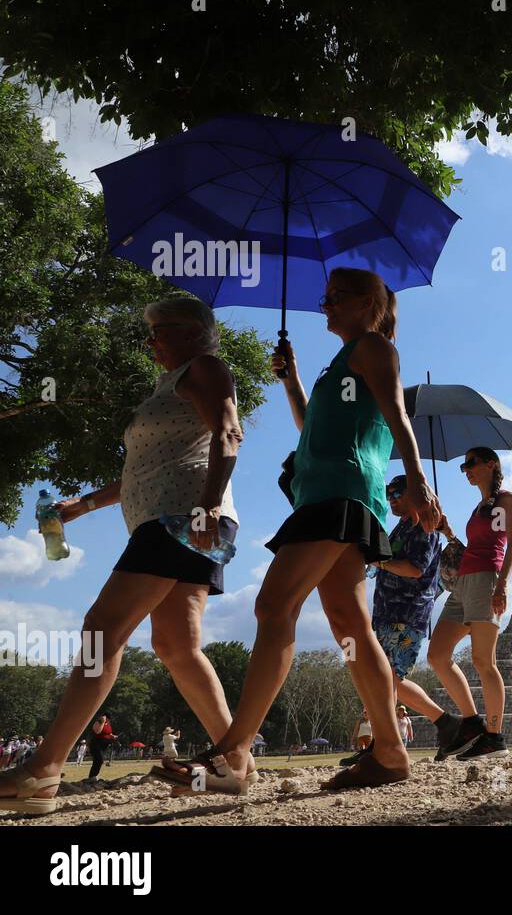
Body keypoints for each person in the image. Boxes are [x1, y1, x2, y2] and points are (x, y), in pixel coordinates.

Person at [157, 267, 440, 795]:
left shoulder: (374, 347)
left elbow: (398, 413)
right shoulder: (345, 361)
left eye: (335, 298)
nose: (324, 305)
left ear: (367, 302)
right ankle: (390, 750)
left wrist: (419, 479)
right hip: (328, 494)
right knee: (349, 624)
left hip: (341, 494)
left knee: (273, 608)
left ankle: (235, 753)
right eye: (324, 297)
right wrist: (291, 380)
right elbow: (315, 428)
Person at [0, 297, 252, 816]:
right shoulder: (170, 384)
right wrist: (84, 504)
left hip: (184, 516)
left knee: (102, 627)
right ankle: (235, 765)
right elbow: (147, 468)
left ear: (188, 332)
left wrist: (205, 505)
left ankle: (42, 770)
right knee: (177, 645)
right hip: (174, 515)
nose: (150, 342)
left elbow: (228, 431)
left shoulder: (206, 366)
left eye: (158, 332)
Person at [361, 473, 465, 762]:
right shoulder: (401, 527)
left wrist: (379, 562)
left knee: (389, 678)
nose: (392, 500)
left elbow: (417, 569)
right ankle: (445, 724)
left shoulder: (425, 526)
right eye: (389, 494)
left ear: (415, 494)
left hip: (407, 613)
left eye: (398, 494)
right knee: (388, 678)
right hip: (387, 611)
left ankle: (384, 743)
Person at [425, 447, 512, 761]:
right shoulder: (479, 507)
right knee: (437, 655)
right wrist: (448, 531)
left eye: (470, 464)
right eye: (462, 466)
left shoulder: (504, 500)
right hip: (463, 584)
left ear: (491, 464)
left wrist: (502, 584)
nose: (465, 469)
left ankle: (494, 737)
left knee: (483, 661)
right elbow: (473, 547)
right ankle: (471, 721)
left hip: (485, 580)